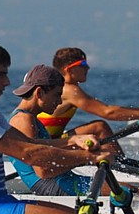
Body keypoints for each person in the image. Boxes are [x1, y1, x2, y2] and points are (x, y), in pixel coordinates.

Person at [0, 39, 116, 214]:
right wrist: (90, 158)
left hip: (0, 202)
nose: (7, 82)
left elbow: (30, 143)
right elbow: (31, 154)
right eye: (0, 75)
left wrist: (71, 140)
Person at [37, 47, 139, 155]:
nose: (87, 68)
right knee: (99, 127)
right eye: (82, 64)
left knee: (97, 128)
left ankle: (111, 165)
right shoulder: (69, 90)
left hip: (51, 140)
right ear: (69, 69)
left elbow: (108, 110)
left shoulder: (64, 88)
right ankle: (120, 169)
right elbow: (107, 112)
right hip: (44, 145)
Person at [8, 64, 112, 196]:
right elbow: (43, 170)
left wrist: (77, 148)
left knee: (132, 190)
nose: (59, 102)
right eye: (57, 95)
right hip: (53, 185)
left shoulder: (30, 118)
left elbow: (48, 152)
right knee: (134, 191)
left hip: (63, 180)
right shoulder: (23, 120)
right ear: (39, 93)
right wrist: (85, 159)